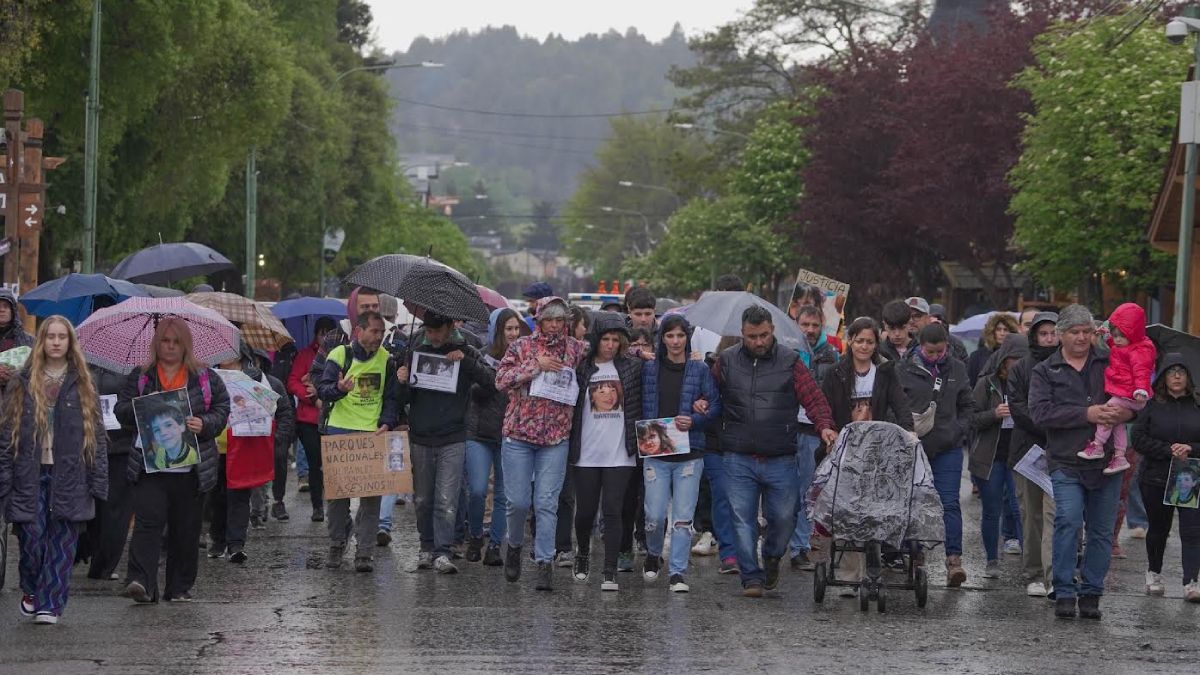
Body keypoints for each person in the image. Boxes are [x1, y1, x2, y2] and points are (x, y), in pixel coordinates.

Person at [713, 305, 836, 597]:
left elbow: (814, 400)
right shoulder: (727, 361)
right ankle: (750, 577)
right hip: (738, 455)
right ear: (742, 334)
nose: (759, 342)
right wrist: (702, 405)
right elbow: (710, 394)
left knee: (783, 517)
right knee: (742, 519)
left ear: (773, 331)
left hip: (779, 455)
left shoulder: (790, 362)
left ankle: (771, 556)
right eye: (752, 336)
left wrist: (825, 426)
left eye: (764, 335)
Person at [1029, 304, 1135, 620]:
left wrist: (1126, 413)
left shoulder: (1109, 361)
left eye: (1086, 332)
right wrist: (1085, 414)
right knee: (1069, 521)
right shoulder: (1045, 370)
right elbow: (1040, 413)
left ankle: (1091, 592)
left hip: (1107, 462)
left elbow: (1135, 400)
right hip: (1065, 460)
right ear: (1060, 335)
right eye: (1074, 332)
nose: (1081, 338)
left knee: (1101, 531)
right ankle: (1063, 590)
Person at [0, 316, 108, 624]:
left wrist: (98, 482)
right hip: (30, 473)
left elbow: (97, 434)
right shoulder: (23, 379)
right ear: (41, 341)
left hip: (71, 474)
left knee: (62, 543)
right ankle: (32, 590)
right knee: (32, 539)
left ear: (70, 342)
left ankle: (50, 604)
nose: (57, 342)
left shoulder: (83, 382)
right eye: (51, 336)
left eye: (62, 337)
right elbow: (7, 432)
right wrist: (5, 479)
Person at [117, 317, 231, 603]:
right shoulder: (141, 376)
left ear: (185, 345)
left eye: (176, 342)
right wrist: (141, 407)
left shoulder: (205, 377)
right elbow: (120, 411)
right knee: (147, 523)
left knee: (186, 529)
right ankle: (141, 582)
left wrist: (203, 423)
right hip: (149, 466)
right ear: (156, 344)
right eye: (165, 341)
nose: (170, 347)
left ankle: (179, 587)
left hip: (192, 468)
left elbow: (222, 408)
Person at [495, 296, 587, 591]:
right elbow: (501, 379)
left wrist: (641, 350)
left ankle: (545, 562)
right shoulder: (520, 346)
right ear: (538, 320)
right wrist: (536, 365)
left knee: (547, 503)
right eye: (549, 320)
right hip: (519, 435)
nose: (555, 326)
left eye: (560, 320)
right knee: (518, 502)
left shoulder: (575, 348)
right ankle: (515, 546)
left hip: (556, 437)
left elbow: (607, 351)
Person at [395, 311, 494, 575]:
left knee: (447, 500)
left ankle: (443, 551)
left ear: (450, 327)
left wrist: (467, 361)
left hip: (453, 437)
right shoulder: (414, 348)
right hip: (421, 436)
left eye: (438, 331)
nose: (433, 336)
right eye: (429, 331)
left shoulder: (466, 349)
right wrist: (401, 379)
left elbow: (491, 383)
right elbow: (399, 396)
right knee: (424, 498)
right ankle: (425, 547)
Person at [819, 316, 913, 595]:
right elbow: (824, 408)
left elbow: (900, 404)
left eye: (869, 342)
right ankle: (849, 573)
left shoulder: (885, 372)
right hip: (844, 450)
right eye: (859, 341)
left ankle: (872, 570)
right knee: (847, 511)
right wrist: (827, 431)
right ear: (851, 341)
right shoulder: (836, 373)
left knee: (872, 511)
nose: (864, 346)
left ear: (876, 344)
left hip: (877, 451)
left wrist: (908, 432)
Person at [640, 315, 721, 593]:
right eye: (670, 336)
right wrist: (639, 351)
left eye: (680, 336)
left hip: (690, 452)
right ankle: (653, 553)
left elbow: (715, 406)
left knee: (683, 520)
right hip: (656, 451)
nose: (675, 341)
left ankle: (677, 572)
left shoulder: (699, 369)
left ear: (687, 338)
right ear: (662, 338)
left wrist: (696, 419)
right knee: (653, 515)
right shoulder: (648, 368)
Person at [316, 310, 401, 573]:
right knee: (338, 496)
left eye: (382, 332)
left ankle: (365, 551)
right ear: (359, 331)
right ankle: (337, 543)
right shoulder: (339, 355)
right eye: (374, 331)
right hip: (340, 432)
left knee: (371, 497)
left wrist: (387, 422)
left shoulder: (387, 360)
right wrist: (339, 390)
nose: (378, 337)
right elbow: (322, 389)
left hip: (372, 433)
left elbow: (392, 398)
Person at [568, 311, 642, 591]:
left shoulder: (633, 367)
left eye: (615, 339)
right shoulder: (582, 368)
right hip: (586, 452)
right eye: (605, 339)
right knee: (585, 512)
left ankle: (610, 568)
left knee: (613, 510)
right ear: (596, 340)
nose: (610, 345)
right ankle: (583, 554)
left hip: (621, 453)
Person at [897, 322, 975, 587]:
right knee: (913, 501)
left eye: (939, 351)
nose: (934, 356)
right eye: (930, 352)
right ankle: (914, 554)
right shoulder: (903, 369)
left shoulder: (957, 369)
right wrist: (903, 430)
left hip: (948, 447)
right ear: (920, 346)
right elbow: (893, 405)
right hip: (913, 446)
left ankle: (954, 560)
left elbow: (968, 405)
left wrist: (958, 429)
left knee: (949, 503)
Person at [207, 343, 294, 564]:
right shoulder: (209, 377)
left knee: (239, 496)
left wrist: (277, 440)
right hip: (216, 447)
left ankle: (236, 544)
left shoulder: (259, 380)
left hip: (244, 446)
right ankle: (218, 541)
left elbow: (281, 410)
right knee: (217, 497)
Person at [1131, 354, 1200, 601]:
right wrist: (1167, 449)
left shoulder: (1197, 405)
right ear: (1163, 377)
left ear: (1189, 377)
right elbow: (1137, 438)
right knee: (1159, 529)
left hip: (1189, 475)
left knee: (1192, 530)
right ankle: (1154, 572)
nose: (1178, 376)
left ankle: (1191, 581)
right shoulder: (1152, 406)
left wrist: (1190, 447)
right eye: (1172, 372)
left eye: (1182, 371)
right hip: (1156, 475)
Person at [465, 308, 526, 566]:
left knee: (504, 495)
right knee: (478, 490)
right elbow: (472, 391)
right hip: (478, 432)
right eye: (507, 329)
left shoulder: (527, 359)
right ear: (496, 331)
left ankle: (495, 544)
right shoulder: (482, 356)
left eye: (515, 329)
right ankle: (476, 535)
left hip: (510, 433)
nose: (512, 334)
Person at [1006, 311, 1059, 597]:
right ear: (1034, 336)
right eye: (1044, 333)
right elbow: (1018, 408)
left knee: (1057, 513)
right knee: (1031, 515)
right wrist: (1050, 426)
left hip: (1061, 449)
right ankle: (1034, 572)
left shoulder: (1068, 365)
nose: (1049, 338)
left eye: (1053, 333)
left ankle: (1055, 575)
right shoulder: (1020, 368)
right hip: (1028, 450)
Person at [969, 333, 1028, 579]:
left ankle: (1030, 563)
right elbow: (971, 419)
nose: (1019, 363)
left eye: (1024, 359)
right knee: (992, 510)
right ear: (1004, 360)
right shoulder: (987, 383)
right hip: (991, 456)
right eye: (1015, 358)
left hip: (1020, 457)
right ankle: (992, 560)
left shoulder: (1033, 382)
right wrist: (994, 414)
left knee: (1021, 509)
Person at [789, 303, 839, 571]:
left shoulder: (831, 355)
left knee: (807, 490)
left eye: (814, 325)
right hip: (786, 428)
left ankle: (799, 547)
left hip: (813, 430)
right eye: (804, 324)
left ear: (822, 326)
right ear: (796, 323)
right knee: (783, 490)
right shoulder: (786, 351)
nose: (809, 330)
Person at [1081, 303, 1156, 475]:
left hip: (1132, 395)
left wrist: (1140, 390)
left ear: (1133, 334)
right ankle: (1120, 457)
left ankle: (1098, 445)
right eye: (1115, 336)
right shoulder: (1124, 345)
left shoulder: (1141, 350)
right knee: (1117, 423)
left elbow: (1142, 371)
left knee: (1107, 413)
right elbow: (1116, 348)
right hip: (1125, 391)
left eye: (1121, 336)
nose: (1117, 340)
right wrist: (1106, 336)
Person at [85, 364, 136, 581]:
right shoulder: (83, 367)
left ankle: (103, 564)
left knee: (115, 509)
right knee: (97, 507)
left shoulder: (134, 370)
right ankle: (96, 559)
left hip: (120, 444)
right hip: (90, 444)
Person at [288, 317, 337, 522]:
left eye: (329, 333)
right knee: (315, 463)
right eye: (321, 333)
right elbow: (293, 381)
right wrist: (310, 397)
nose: (325, 337)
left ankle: (335, 508)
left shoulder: (339, 354)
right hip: (308, 420)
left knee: (333, 464)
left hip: (334, 418)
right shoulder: (305, 355)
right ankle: (318, 506)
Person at [906, 297, 968, 363]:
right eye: (907, 316)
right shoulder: (895, 342)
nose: (911, 321)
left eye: (917, 316)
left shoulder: (953, 343)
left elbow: (961, 369)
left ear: (928, 318)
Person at [968, 313, 1019, 388]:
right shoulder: (976, 356)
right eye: (998, 329)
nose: (1002, 333)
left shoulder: (1017, 356)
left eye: (1006, 330)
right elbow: (971, 385)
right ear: (992, 331)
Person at [0, 287, 33, 394]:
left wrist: (15, 375)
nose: (2, 310)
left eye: (6, 306)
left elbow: (37, 369)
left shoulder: (29, 341)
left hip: (19, 397)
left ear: (13, 310)